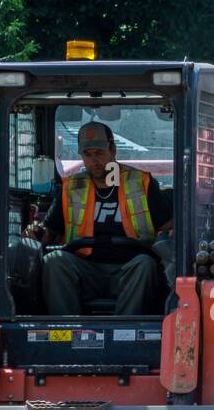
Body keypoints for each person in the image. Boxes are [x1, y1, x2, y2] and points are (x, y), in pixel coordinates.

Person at [40, 121, 172, 315]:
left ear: (113, 150)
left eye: (100, 153)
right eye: (88, 154)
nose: (94, 161)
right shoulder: (72, 187)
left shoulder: (141, 183)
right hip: (86, 270)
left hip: (129, 268)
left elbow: (167, 226)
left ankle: (126, 333)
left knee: (145, 264)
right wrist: (34, 235)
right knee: (54, 261)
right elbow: (49, 231)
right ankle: (65, 332)